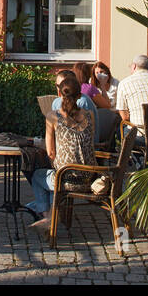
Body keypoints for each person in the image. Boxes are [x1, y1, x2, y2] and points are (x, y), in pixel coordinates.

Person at [27, 77, 97, 231]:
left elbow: (51, 153)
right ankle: (52, 213)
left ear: (59, 93)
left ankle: (48, 217)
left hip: (65, 179)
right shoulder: (89, 115)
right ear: (80, 95)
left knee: (37, 176)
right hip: (89, 177)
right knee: (53, 177)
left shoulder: (53, 117)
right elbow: (89, 144)